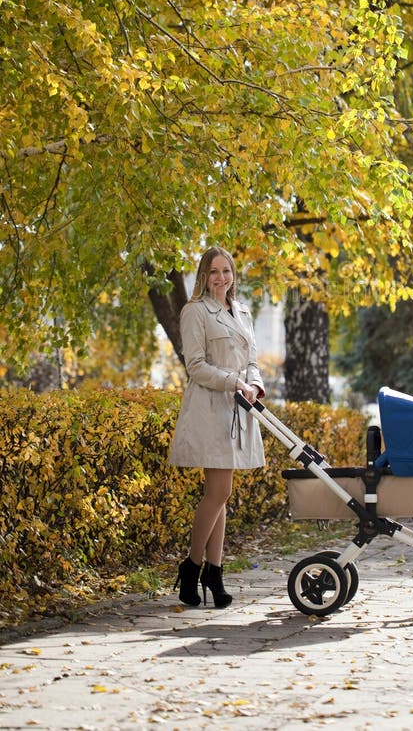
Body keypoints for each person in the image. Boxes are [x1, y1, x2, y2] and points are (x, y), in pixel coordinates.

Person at [169, 246, 265, 608]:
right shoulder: (195, 312)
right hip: (211, 409)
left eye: (226, 271)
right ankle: (194, 567)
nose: (221, 277)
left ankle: (213, 570)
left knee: (220, 494)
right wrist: (235, 383)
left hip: (239, 408)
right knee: (219, 493)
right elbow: (195, 366)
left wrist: (254, 384)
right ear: (203, 276)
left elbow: (252, 360)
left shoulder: (242, 311)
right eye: (214, 271)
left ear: (233, 274)